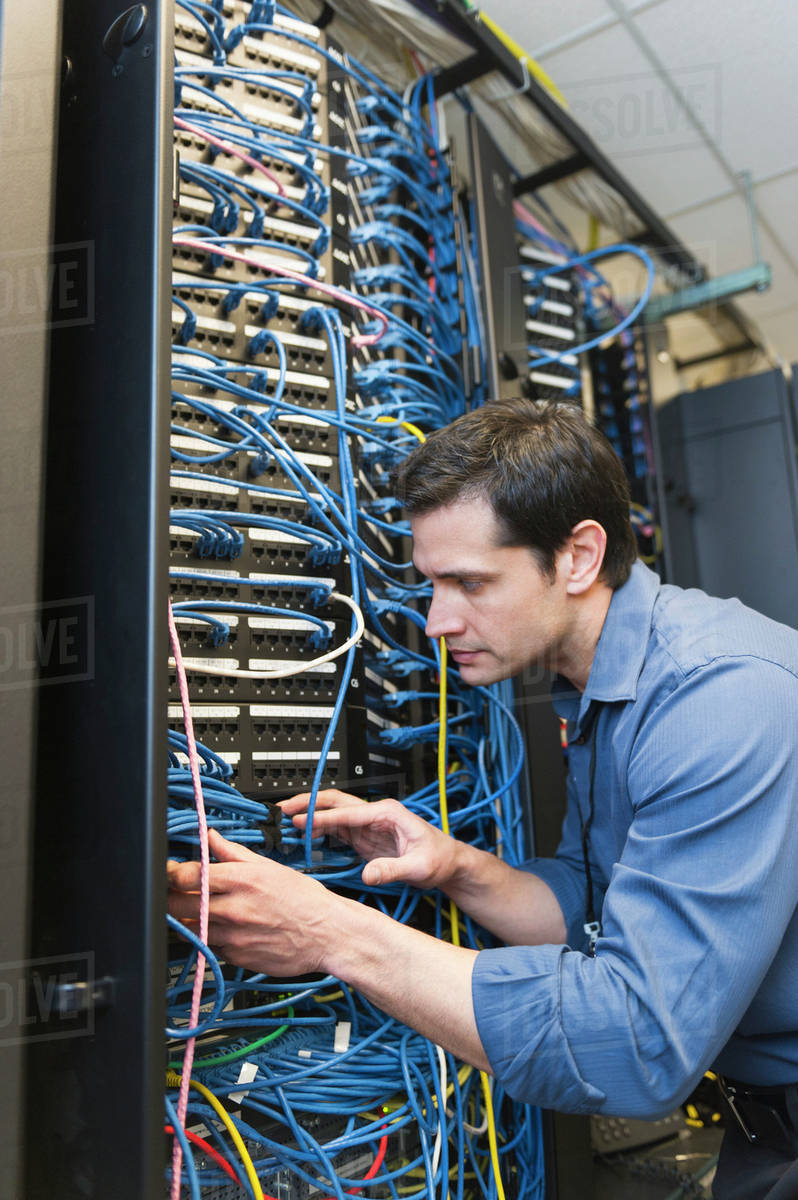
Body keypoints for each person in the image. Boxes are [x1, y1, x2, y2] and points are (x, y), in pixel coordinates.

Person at [168, 398, 798, 1200]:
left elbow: (638, 1045)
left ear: (578, 557)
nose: (437, 621)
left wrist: (329, 932)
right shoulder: (606, 689)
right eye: (433, 584)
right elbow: (593, 906)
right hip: (762, 1130)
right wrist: (457, 868)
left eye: (469, 583)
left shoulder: (719, 700)